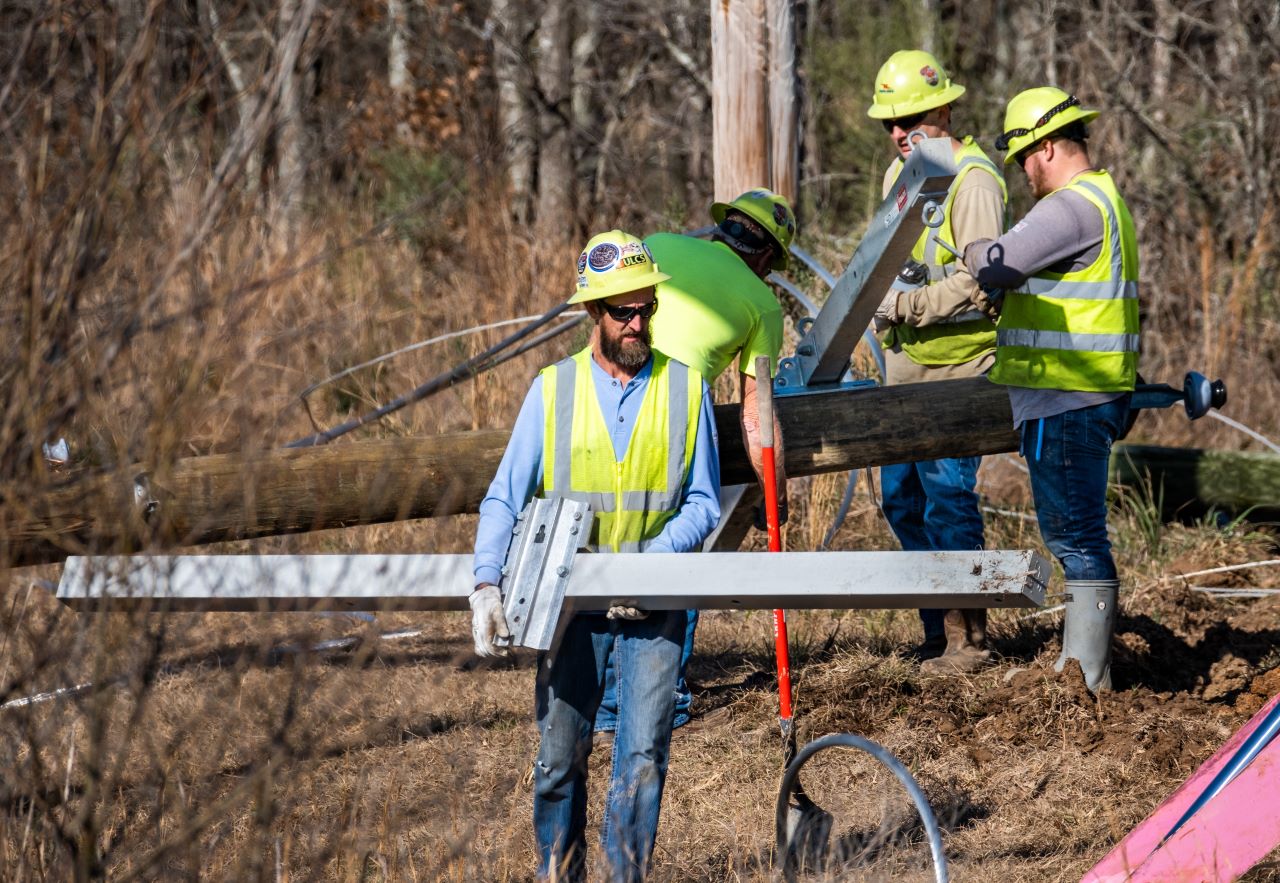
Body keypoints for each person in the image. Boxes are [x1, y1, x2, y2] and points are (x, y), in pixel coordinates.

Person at [469, 229, 721, 881]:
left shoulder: (686, 389)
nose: (638, 322)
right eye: (623, 311)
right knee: (559, 759)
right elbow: (503, 496)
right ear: (593, 314)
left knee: (641, 760)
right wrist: (485, 583)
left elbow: (703, 503)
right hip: (569, 607)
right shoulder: (552, 391)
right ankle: (559, 871)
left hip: (655, 607)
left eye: (647, 308)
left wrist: (650, 562)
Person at [594, 188, 795, 733]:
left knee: (612, 531)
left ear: (724, 229)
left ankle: (607, 698)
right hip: (679, 404)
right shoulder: (763, 305)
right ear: (767, 259)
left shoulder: (657, 244)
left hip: (608, 390)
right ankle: (661, 697)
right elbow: (757, 420)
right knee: (678, 541)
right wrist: (775, 495)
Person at [962, 87, 1139, 693]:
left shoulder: (1070, 208)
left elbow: (995, 263)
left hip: (1069, 399)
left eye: (1021, 162)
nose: (1021, 175)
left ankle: (1085, 679)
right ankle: (1084, 669)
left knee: (1075, 536)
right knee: (1078, 532)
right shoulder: (1105, 199)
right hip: (1087, 394)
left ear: (1045, 148)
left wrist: (968, 244)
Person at [865, 49, 1008, 671]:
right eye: (891, 124)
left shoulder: (973, 180)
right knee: (900, 498)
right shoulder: (900, 176)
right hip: (905, 370)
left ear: (945, 107)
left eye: (914, 117)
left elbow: (982, 283)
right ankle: (936, 628)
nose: (901, 133)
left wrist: (906, 306)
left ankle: (968, 639)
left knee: (948, 496)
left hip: (959, 367)